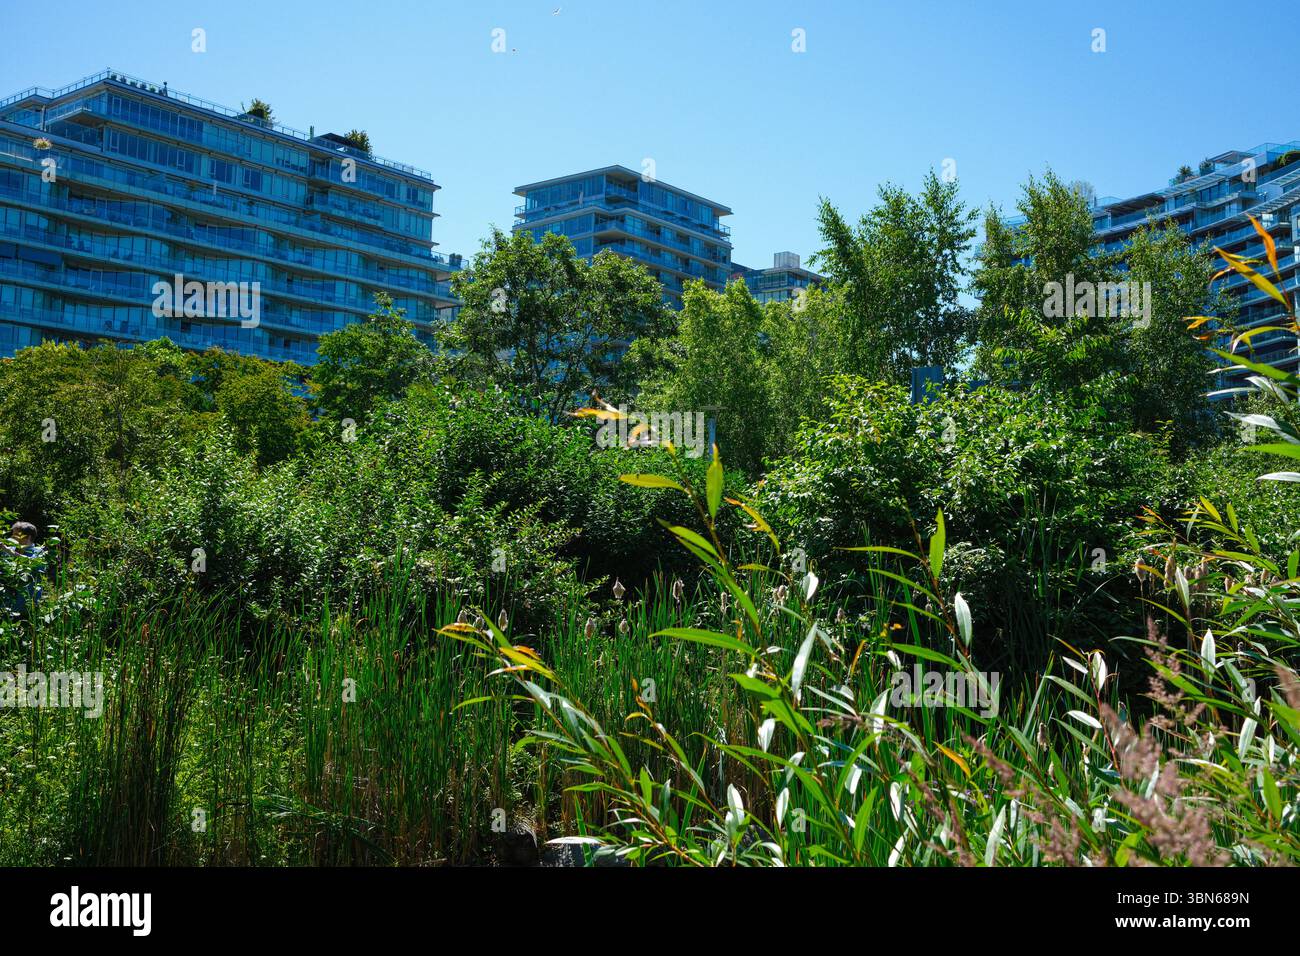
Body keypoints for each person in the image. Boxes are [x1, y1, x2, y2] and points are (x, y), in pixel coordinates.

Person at [2, 522, 47, 616]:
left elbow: (32, 562)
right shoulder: (10, 549)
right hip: (5, 603)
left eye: (16, 534)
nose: (12, 537)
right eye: (13, 534)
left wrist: (9, 551)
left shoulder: (39, 552)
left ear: (28, 537)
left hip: (26, 604)